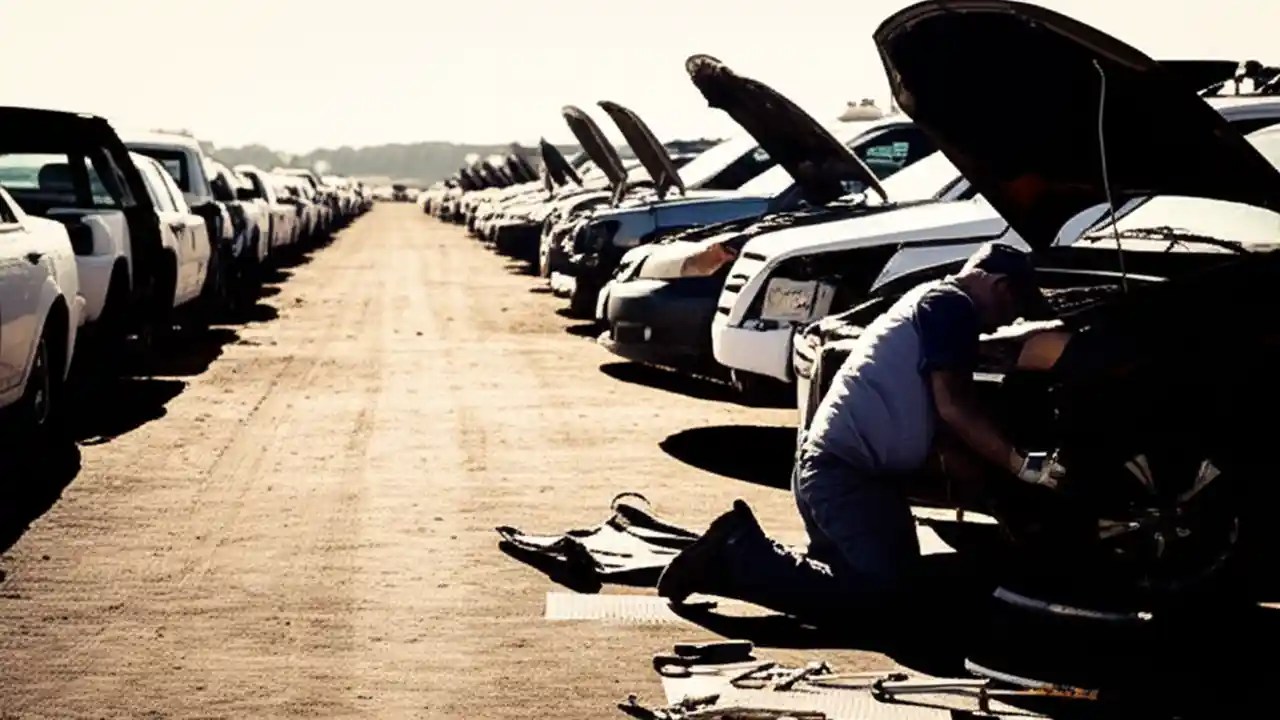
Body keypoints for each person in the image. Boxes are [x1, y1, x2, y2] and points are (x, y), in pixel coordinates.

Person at [656, 241, 1064, 619]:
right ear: (1002, 286)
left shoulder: (930, 303)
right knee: (886, 596)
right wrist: (1019, 464)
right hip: (845, 476)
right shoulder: (951, 306)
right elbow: (955, 405)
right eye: (1016, 308)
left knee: (847, 589)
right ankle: (735, 551)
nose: (1008, 320)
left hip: (836, 471)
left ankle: (737, 555)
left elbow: (934, 418)